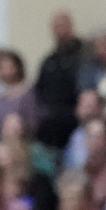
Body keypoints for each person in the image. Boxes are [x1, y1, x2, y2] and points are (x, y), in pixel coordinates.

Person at [35, 11, 87, 150]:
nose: (60, 31)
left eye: (62, 26)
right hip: (51, 117)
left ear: (71, 26)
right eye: (56, 27)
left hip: (75, 114)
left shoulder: (85, 55)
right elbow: (39, 90)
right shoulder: (49, 61)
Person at [0, 50, 38, 143]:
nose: (5, 71)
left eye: (9, 67)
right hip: (0, 139)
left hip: (22, 141)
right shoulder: (2, 96)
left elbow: (32, 122)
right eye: (2, 68)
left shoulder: (28, 93)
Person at [63, 88, 106, 171]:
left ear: (100, 108)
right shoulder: (77, 134)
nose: (83, 110)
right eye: (81, 105)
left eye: (89, 106)